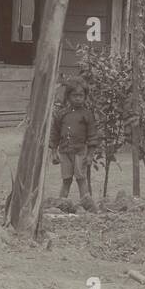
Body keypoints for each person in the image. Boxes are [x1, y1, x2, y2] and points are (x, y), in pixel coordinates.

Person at [50, 79, 98, 209]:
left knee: (81, 178)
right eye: (74, 95)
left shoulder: (87, 115)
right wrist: (54, 152)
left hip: (79, 152)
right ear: (68, 96)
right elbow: (54, 134)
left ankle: (87, 205)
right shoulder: (62, 114)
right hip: (64, 152)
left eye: (81, 96)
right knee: (66, 179)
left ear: (85, 97)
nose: (78, 99)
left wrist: (90, 155)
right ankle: (61, 205)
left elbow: (92, 136)